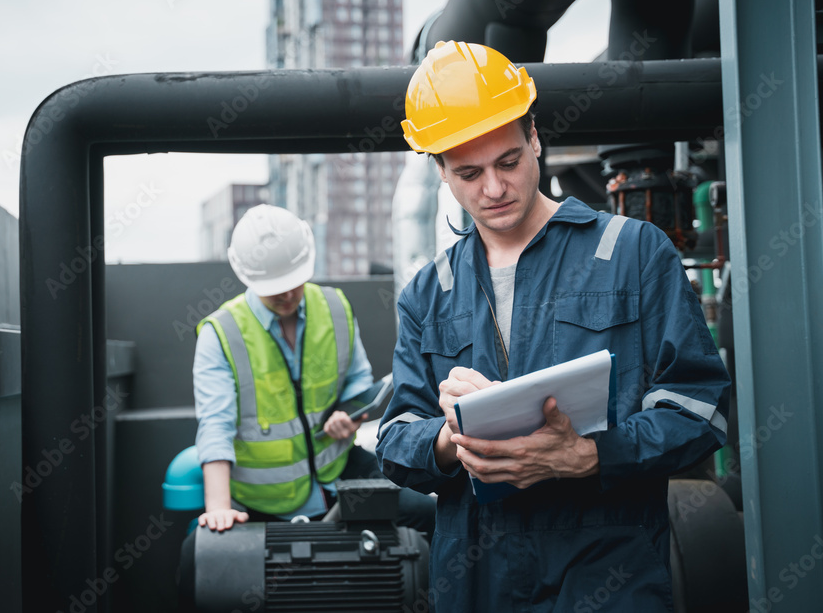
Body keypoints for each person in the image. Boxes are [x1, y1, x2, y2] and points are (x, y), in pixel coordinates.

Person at [376, 41, 730, 611]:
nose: (493, 189)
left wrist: (593, 454)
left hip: (606, 568)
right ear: (439, 170)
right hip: (475, 573)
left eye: (508, 161)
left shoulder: (632, 253)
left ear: (535, 136)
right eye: (469, 172)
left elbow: (700, 405)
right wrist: (449, 439)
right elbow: (394, 438)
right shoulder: (429, 292)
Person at [193, 204, 433, 533]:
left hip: (340, 474)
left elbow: (358, 385)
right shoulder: (221, 334)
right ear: (247, 275)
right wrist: (219, 508)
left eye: (295, 281)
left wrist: (350, 417)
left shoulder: (334, 307)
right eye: (275, 288)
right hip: (264, 502)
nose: (290, 293)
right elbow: (215, 426)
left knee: (429, 514)